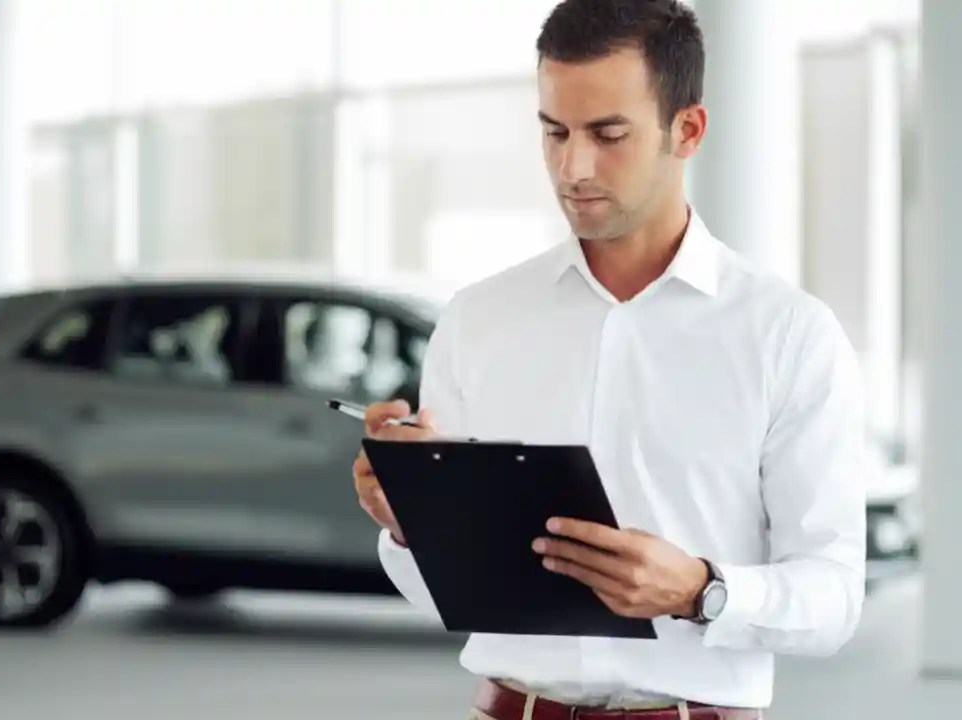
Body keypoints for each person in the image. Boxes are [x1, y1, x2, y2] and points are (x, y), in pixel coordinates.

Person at [351, 1, 867, 717]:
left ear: (687, 130)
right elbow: (454, 591)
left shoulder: (788, 335)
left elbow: (835, 596)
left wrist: (702, 590)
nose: (573, 167)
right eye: (554, 132)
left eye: (608, 134)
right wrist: (411, 522)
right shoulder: (479, 320)